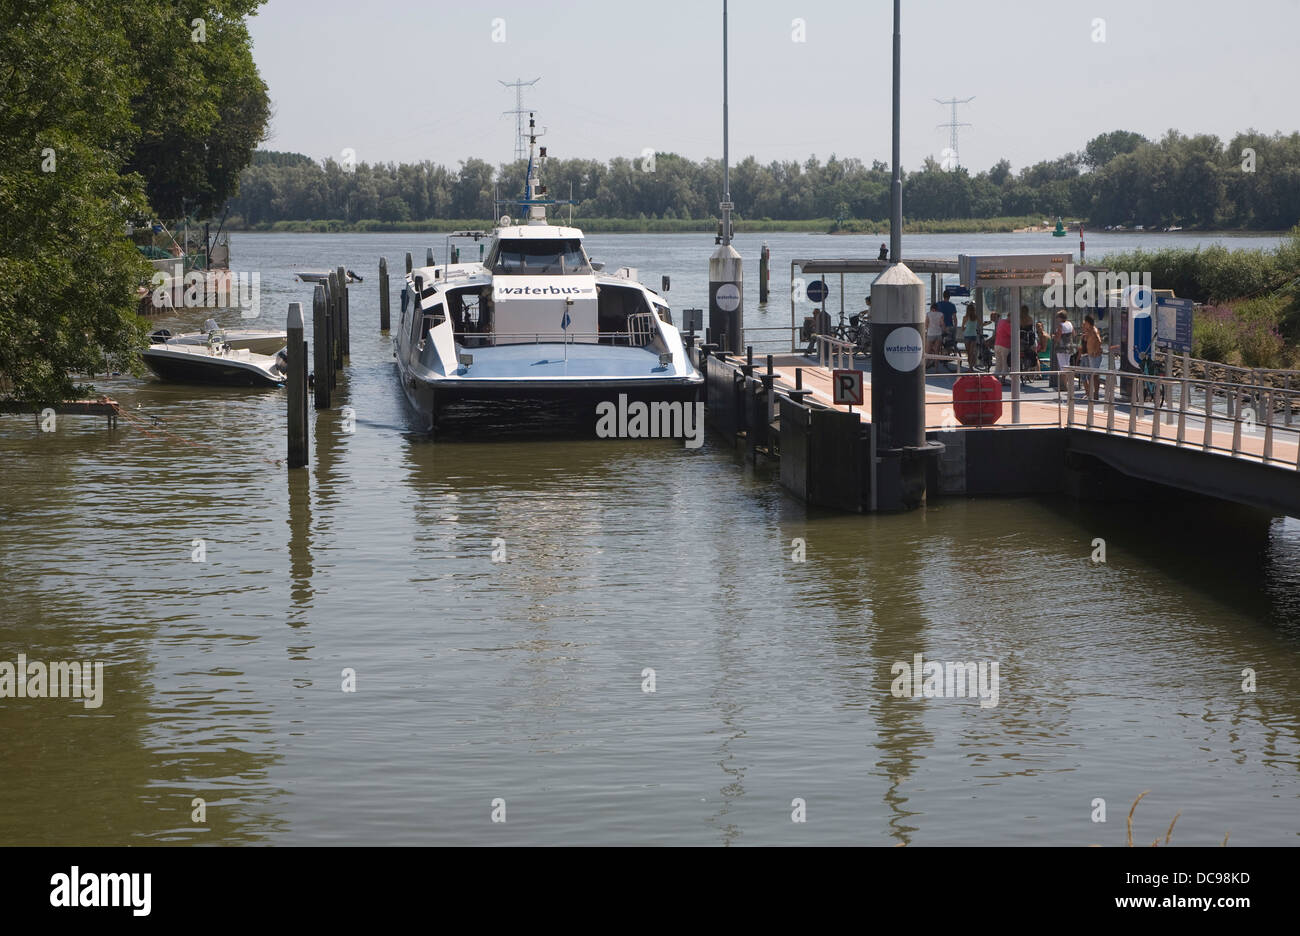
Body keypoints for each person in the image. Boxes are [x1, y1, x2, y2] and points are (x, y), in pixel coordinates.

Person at [1079, 314, 1103, 400]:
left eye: (1086, 322)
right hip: (1090, 355)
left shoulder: (1094, 330)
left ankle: (1096, 394)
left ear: (1088, 322)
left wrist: (1096, 350)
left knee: (1095, 375)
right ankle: (1094, 393)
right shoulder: (1089, 331)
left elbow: (1099, 340)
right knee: (1093, 375)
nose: (1085, 324)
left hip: (1094, 356)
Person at [1053, 311, 1074, 390]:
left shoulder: (1060, 326)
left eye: (1057, 317)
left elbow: (1058, 338)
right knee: (1067, 365)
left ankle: (1064, 386)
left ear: (1060, 318)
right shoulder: (1070, 324)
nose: (1057, 319)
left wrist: (1053, 337)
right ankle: (1069, 384)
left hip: (1061, 348)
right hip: (1069, 347)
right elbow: (1074, 334)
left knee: (1062, 367)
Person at [993, 311, 1012, 383]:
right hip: (1005, 345)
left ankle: (995, 377)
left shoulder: (1001, 322)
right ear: (1009, 317)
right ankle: (1003, 379)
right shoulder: (1008, 325)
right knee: (1005, 362)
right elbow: (1012, 334)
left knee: (998, 362)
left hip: (997, 344)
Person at [962, 306, 982, 370]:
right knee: (971, 352)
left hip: (967, 336)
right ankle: (971, 366)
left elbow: (962, 328)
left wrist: (966, 328)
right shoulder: (976, 317)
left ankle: (970, 366)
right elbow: (981, 324)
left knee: (968, 352)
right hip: (974, 335)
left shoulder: (965, 317)